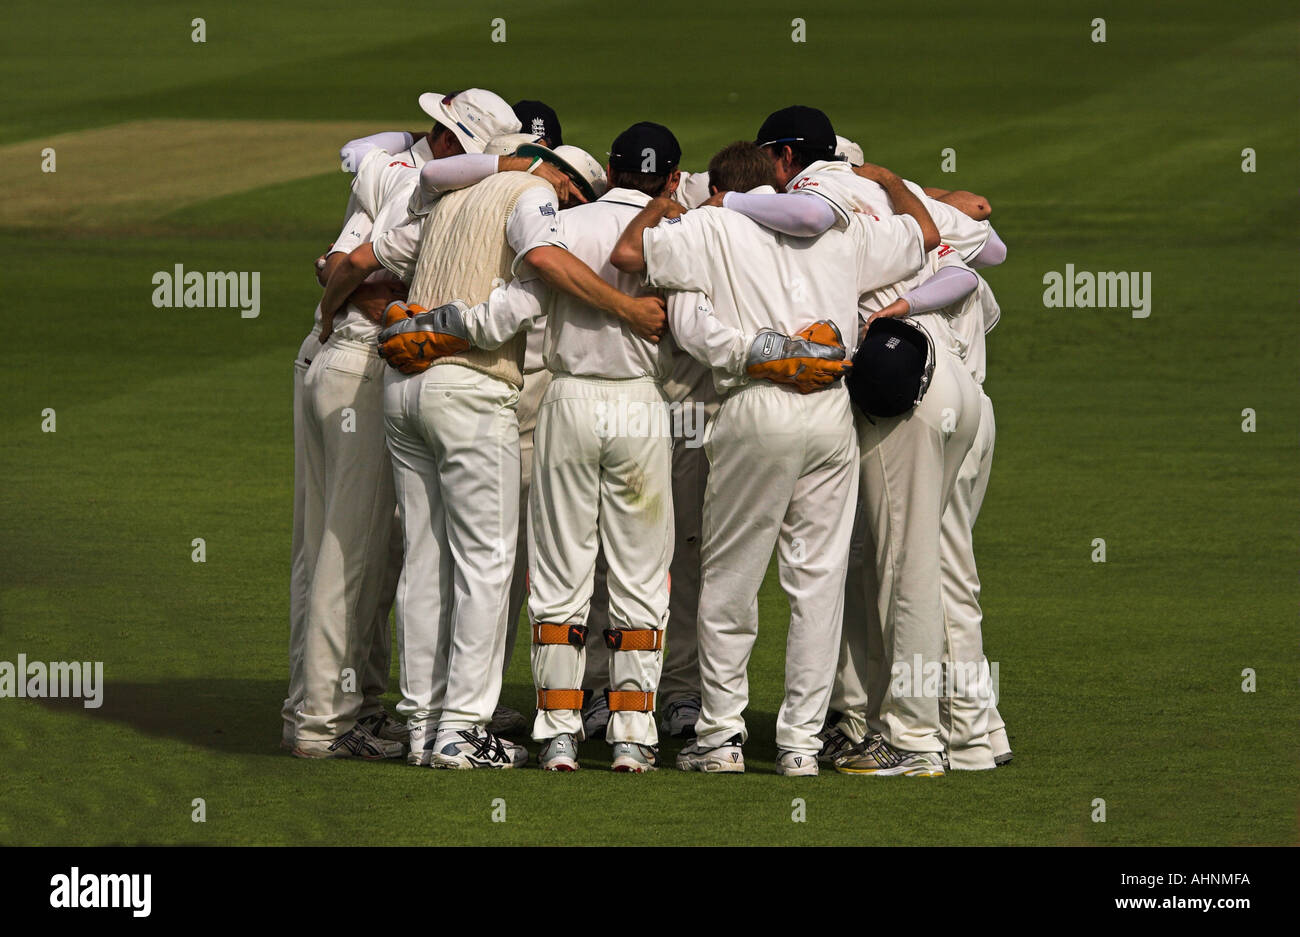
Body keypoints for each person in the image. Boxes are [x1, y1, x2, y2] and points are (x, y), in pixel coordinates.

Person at [611, 140, 937, 775]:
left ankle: (721, 738)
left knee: (730, 580)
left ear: (722, 186)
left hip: (755, 407)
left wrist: (670, 204)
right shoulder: (837, 224)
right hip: (830, 409)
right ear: (779, 182)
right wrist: (891, 181)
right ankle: (800, 747)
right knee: (817, 583)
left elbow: (633, 259)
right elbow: (922, 237)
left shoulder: (710, 223)